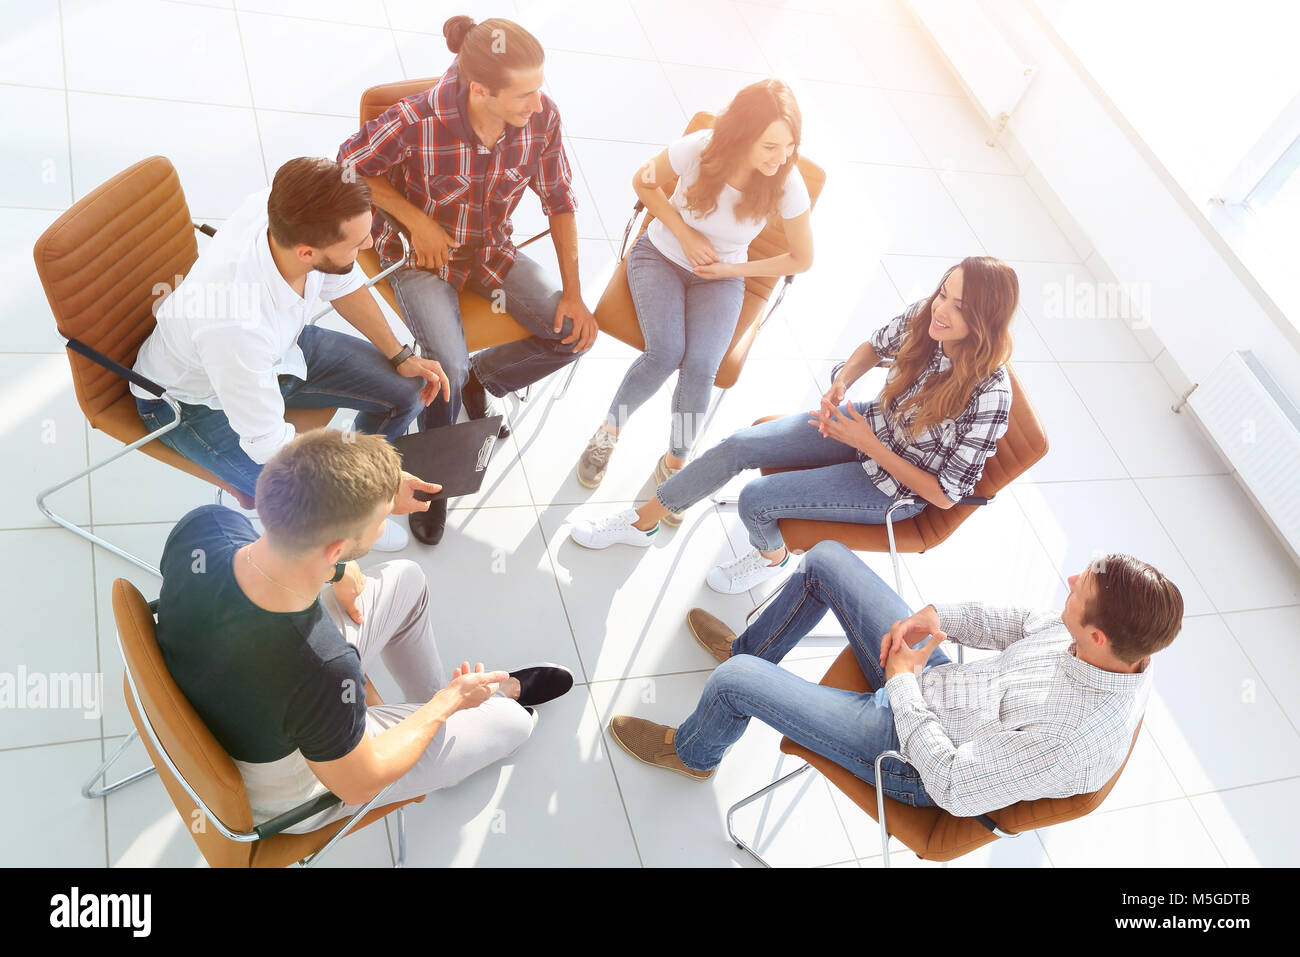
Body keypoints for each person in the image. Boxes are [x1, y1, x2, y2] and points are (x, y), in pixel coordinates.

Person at [154, 429, 573, 834]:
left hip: (238, 701)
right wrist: (448, 702)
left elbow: (293, 546)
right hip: (290, 791)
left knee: (406, 578)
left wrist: (368, 512)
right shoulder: (324, 667)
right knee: (512, 722)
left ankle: (429, 719)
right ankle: (457, 718)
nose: (386, 522)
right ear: (337, 546)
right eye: (380, 521)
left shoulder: (207, 527)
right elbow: (358, 785)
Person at [608, 541, 1182, 821]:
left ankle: (693, 751)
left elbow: (957, 788)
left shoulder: (1070, 736)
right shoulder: (1105, 644)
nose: (1072, 577)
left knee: (735, 681)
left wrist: (902, 683)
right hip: (936, 688)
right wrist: (937, 617)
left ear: (1101, 639)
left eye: (1080, 588)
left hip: (910, 759)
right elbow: (1021, 625)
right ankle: (752, 648)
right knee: (826, 560)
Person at [570, 257, 1017, 595]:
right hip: (869, 424)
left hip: (892, 490)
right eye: (943, 293)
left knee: (757, 501)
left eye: (958, 307)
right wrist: (843, 381)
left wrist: (867, 443)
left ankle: (772, 556)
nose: (941, 310)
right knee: (738, 445)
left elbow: (943, 494)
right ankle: (643, 522)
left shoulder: (990, 394)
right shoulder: (928, 317)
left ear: (984, 320)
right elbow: (873, 346)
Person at [337, 15, 598, 547]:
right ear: (480, 88)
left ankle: (483, 380)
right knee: (446, 369)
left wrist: (573, 293)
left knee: (571, 335)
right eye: (525, 92)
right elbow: (347, 169)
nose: (538, 101)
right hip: (421, 259)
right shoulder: (415, 118)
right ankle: (433, 483)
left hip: (491, 250)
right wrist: (417, 221)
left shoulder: (542, 118)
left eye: (539, 87)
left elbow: (560, 201)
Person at [132, 157, 449, 552]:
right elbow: (267, 441)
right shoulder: (235, 325)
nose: (369, 245)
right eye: (357, 243)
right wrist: (368, 483)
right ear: (306, 253)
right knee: (305, 505)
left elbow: (344, 280)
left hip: (280, 350)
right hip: (193, 405)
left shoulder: (286, 206)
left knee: (407, 389)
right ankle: (352, 517)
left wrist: (400, 354)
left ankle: (358, 492)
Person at [573, 79, 813, 494]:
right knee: (665, 353)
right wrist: (684, 233)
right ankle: (608, 432)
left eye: (789, 147)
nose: (782, 158)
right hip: (662, 256)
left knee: (702, 367)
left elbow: (802, 258)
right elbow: (642, 182)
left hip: (722, 278)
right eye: (770, 147)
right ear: (742, 135)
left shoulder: (786, 181)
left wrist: (731, 272)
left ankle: (676, 459)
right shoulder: (700, 148)